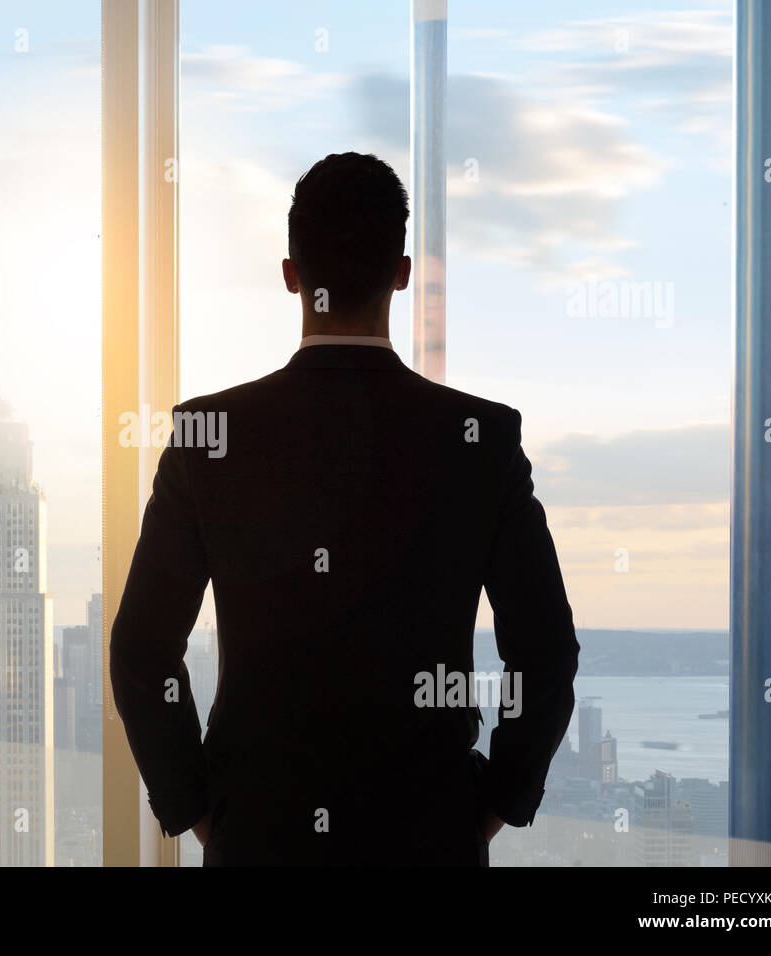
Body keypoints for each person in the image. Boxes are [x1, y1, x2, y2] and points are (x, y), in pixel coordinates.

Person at [109, 152, 579, 865]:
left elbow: (142, 653)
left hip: (260, 840)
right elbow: (543, 653)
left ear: (292, 275)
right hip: (431, 839)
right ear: (402, 272)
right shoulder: (479, 440)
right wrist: (493, 806)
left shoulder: (210, 436)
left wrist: (201, 811)